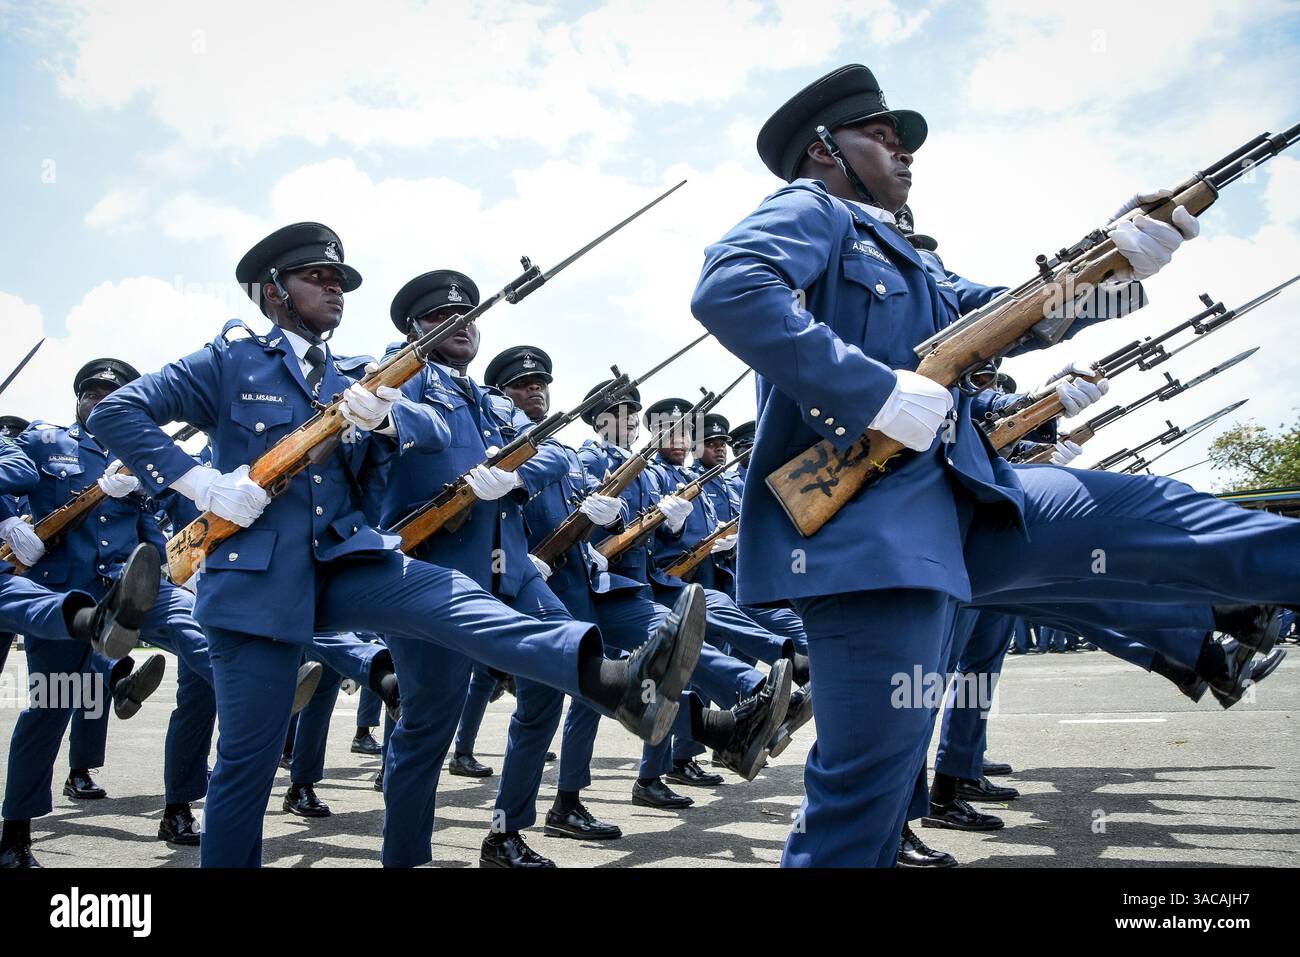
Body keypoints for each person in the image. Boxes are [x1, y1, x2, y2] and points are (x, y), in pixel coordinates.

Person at [690, 63, 1297, 867]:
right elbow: (730, 289)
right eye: (880, 135)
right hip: (873, 541)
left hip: (974, 504)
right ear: (823, 149)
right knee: (862, 798)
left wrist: (1114, 267)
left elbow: (1017, 319)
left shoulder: (913, 259)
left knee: (1168, 516)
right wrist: (872, 393)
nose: (904, 151)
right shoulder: (812, 211)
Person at [89, 224, 707, 868]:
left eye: (340, 282)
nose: (334, 290)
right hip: (255, 577)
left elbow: (435, 423)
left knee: (453, 597)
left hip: (344, 556)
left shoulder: (355, 371)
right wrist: (204, 485)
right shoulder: (229, 360)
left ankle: (613, 680)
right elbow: (117, 413)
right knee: (245, 762)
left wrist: (384, 416)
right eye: (316, 280)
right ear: (273, 291)